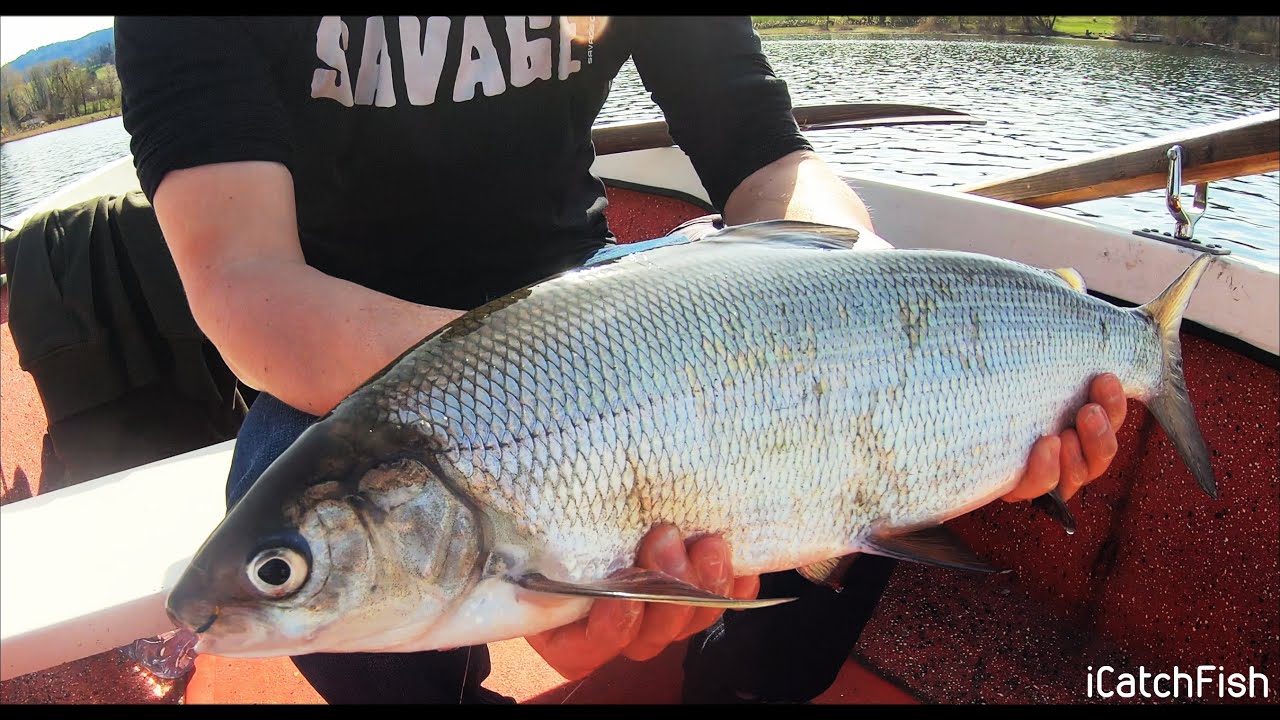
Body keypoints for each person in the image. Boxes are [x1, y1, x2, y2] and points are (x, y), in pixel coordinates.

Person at [115, 16, 1127, 704]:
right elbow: (247, 283)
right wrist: (519, 448)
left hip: (593, 294)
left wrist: (865, 316)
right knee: (322, 590)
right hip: (349, 345)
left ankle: (737, 685)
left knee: (852, 489)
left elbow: (768, 162)